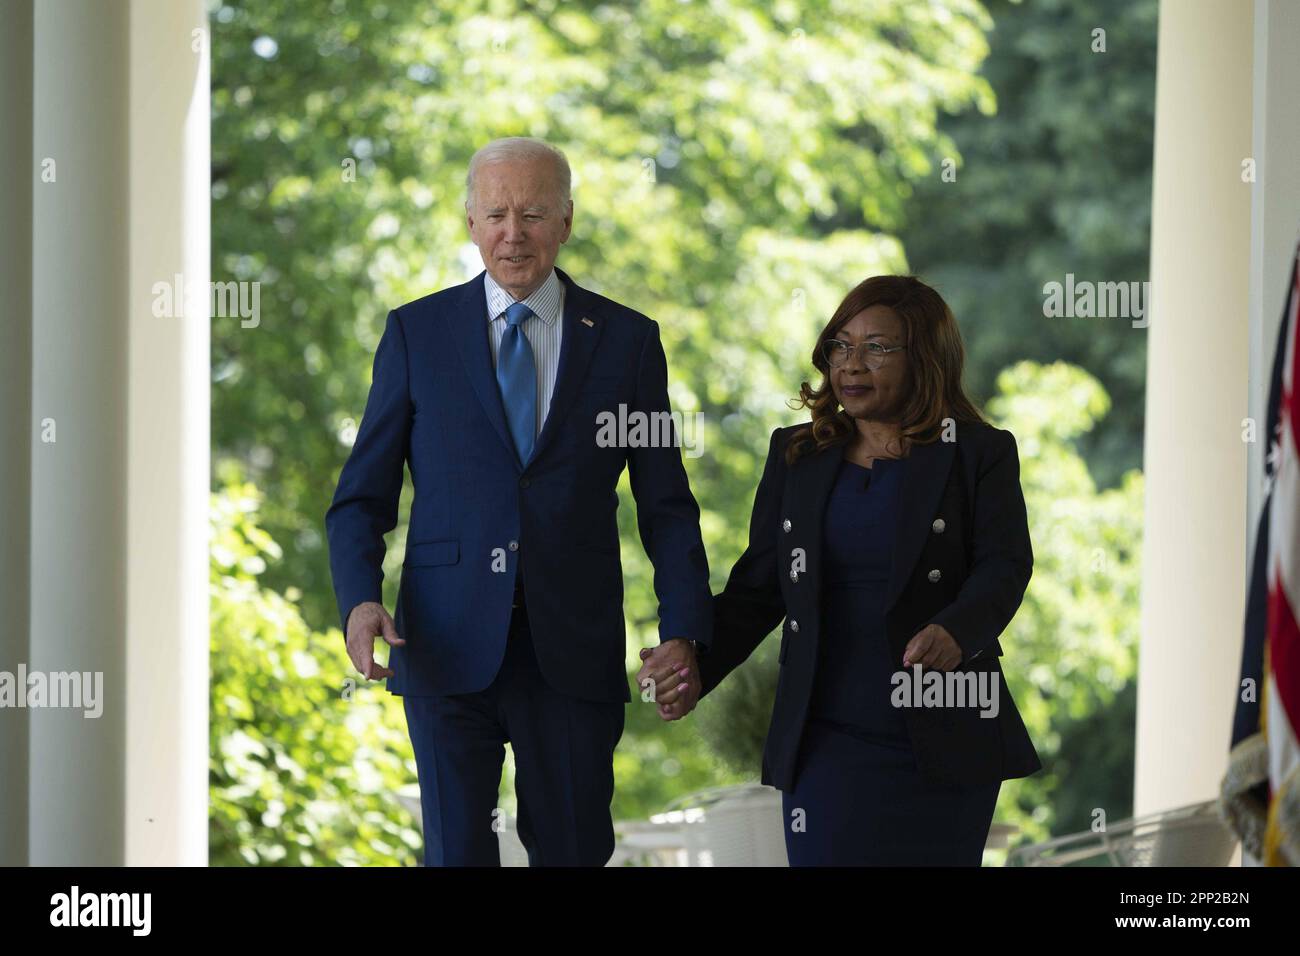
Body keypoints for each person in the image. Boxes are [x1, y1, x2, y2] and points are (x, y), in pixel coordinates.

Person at [325, 137, 711, 866]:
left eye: (533, 213)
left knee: (572, 851)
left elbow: (667, 506)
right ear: (469, 222)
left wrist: (684, 628)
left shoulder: (628, 342)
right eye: (496, 213)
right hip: (442, 644)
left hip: (572, 648)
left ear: (566, 221)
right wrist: (358, 599)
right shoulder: (416, 333)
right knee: (457, 854)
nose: (513, 232)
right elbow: (361, 497)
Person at [641, 274, 1042, 865]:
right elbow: (759, 588)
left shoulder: (978, 453)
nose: (852, 364)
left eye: (878, 347)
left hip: (945, 730)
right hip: (827, 736)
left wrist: (958, 631)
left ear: (925, 358)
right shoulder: (797, 454)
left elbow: (1004, 565)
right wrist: (694, 657)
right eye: (841, 345)